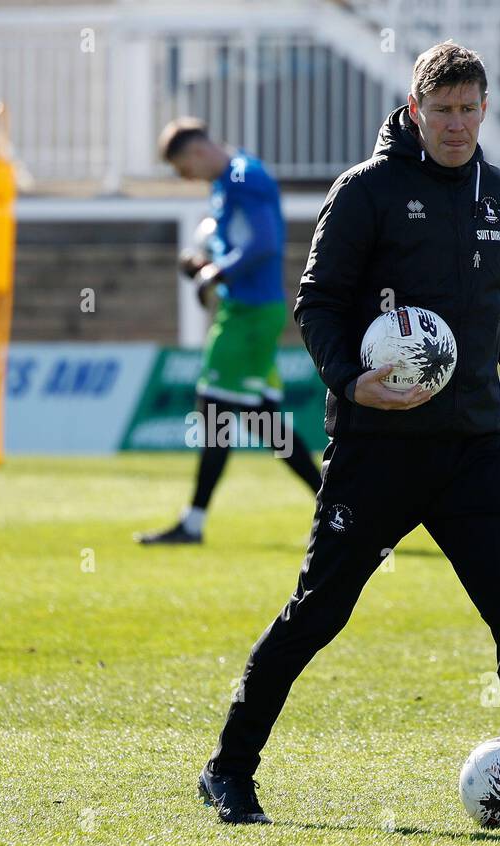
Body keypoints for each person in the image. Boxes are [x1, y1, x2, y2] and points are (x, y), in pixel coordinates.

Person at [197, 42, 500, 827]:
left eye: (468, 109)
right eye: (441, 109)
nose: (456, 124)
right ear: (415, 110)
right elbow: (316, 302)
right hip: (376, 449)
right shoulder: (365, 191)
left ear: (485, 111)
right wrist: (350, 381)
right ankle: (229, 769)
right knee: (317, 613)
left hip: (474, 452)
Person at [135, 118, 323, 545]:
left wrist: (214, 273)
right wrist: (204, 261)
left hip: (249, 314)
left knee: (215, 407)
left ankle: (194, 523)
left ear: (197, 151)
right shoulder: (229, 180)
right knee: (260, 419)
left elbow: (265, 243)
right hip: (249, 310)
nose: (186, 178)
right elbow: (237, 241)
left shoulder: (243, 178)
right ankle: (334, 507)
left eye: (184, 168)